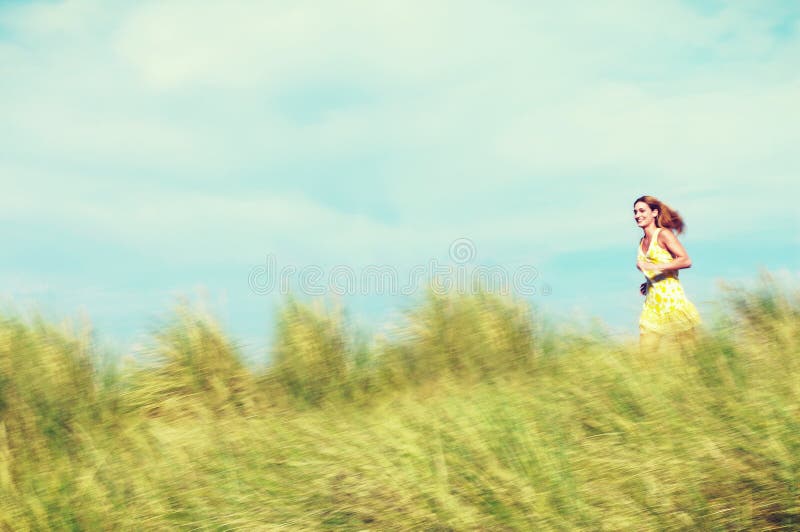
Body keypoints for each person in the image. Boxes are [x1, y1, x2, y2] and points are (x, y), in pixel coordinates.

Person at [634, 195, 701, 354]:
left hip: (673, 303)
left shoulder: (663, 234)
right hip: (652, 307)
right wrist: (650, 281)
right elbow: (656, 269)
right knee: (645, 357)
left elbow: (685, 260)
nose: (637, 215)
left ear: (654, 213)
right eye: (635, 212)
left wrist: (653, 267)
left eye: (642, 211)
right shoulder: (642, 241)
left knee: (690, 354)